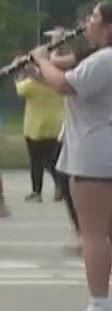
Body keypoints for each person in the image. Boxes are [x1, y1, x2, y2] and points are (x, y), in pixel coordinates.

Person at [32, 2, 112, 311]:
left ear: (110, 28)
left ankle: (98, 306)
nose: (87, 23)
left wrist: (42, 59)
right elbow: (72, 86)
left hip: (96, 157)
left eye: (94, 18)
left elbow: (66, 85)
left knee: (94, 234)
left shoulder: (106, 59)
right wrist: (39, 73)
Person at [15, 39, 65, 203]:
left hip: (35, 126)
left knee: (36, 160)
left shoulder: (31, 84)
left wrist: (19, 73)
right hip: (55, 125)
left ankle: (37, 192)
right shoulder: (57, 81)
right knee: (53, 160)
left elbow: (20, 90)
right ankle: (60, 187)